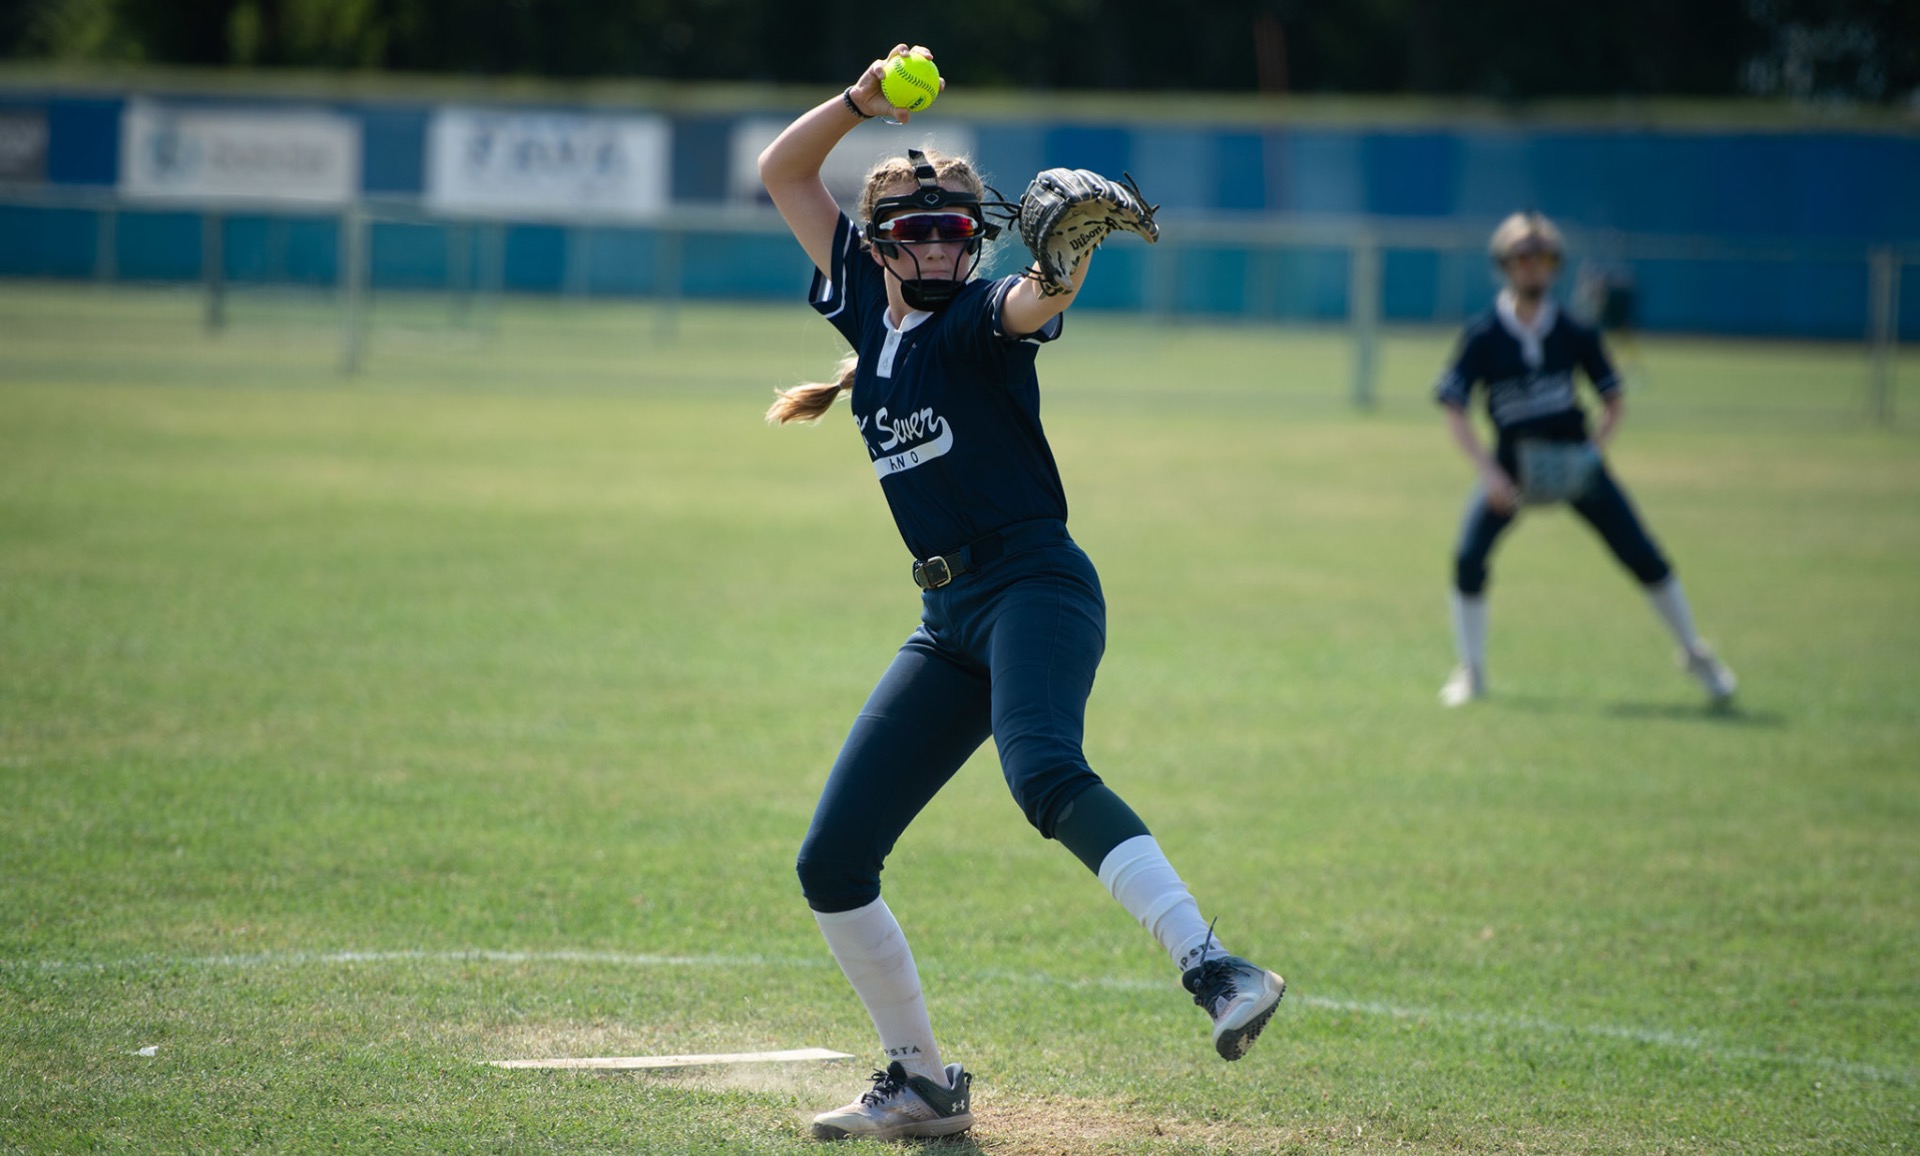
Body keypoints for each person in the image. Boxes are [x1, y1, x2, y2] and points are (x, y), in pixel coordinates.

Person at [757, 45, 1286, 1143]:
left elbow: (1034, 298)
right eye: (919, 232)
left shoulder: (979, 314)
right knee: (832, 862)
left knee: (1042, 770)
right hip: (947, 620)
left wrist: (1067, 259)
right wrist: (860, 101)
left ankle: (1216, 967)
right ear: (877, 244)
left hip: (1035, 585)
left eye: (958, 230)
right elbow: (785, 171)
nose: (941, 247)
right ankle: (923, 1084)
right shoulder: (865, 310)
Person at [1433, 211, 1736, 709]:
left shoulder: (1574, 329)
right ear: (1504, 265)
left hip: (1576, 461)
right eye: (1523, 257)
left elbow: (1613, 399)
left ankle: (1694, 652)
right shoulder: (1484, 334)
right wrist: (1489, 474)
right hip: (1512, 465)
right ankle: (1471, 670)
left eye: (1545, 258)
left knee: (1642, 554)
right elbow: (1453, 406)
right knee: (1469, 557)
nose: (1535, 267)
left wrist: (1593, 453)